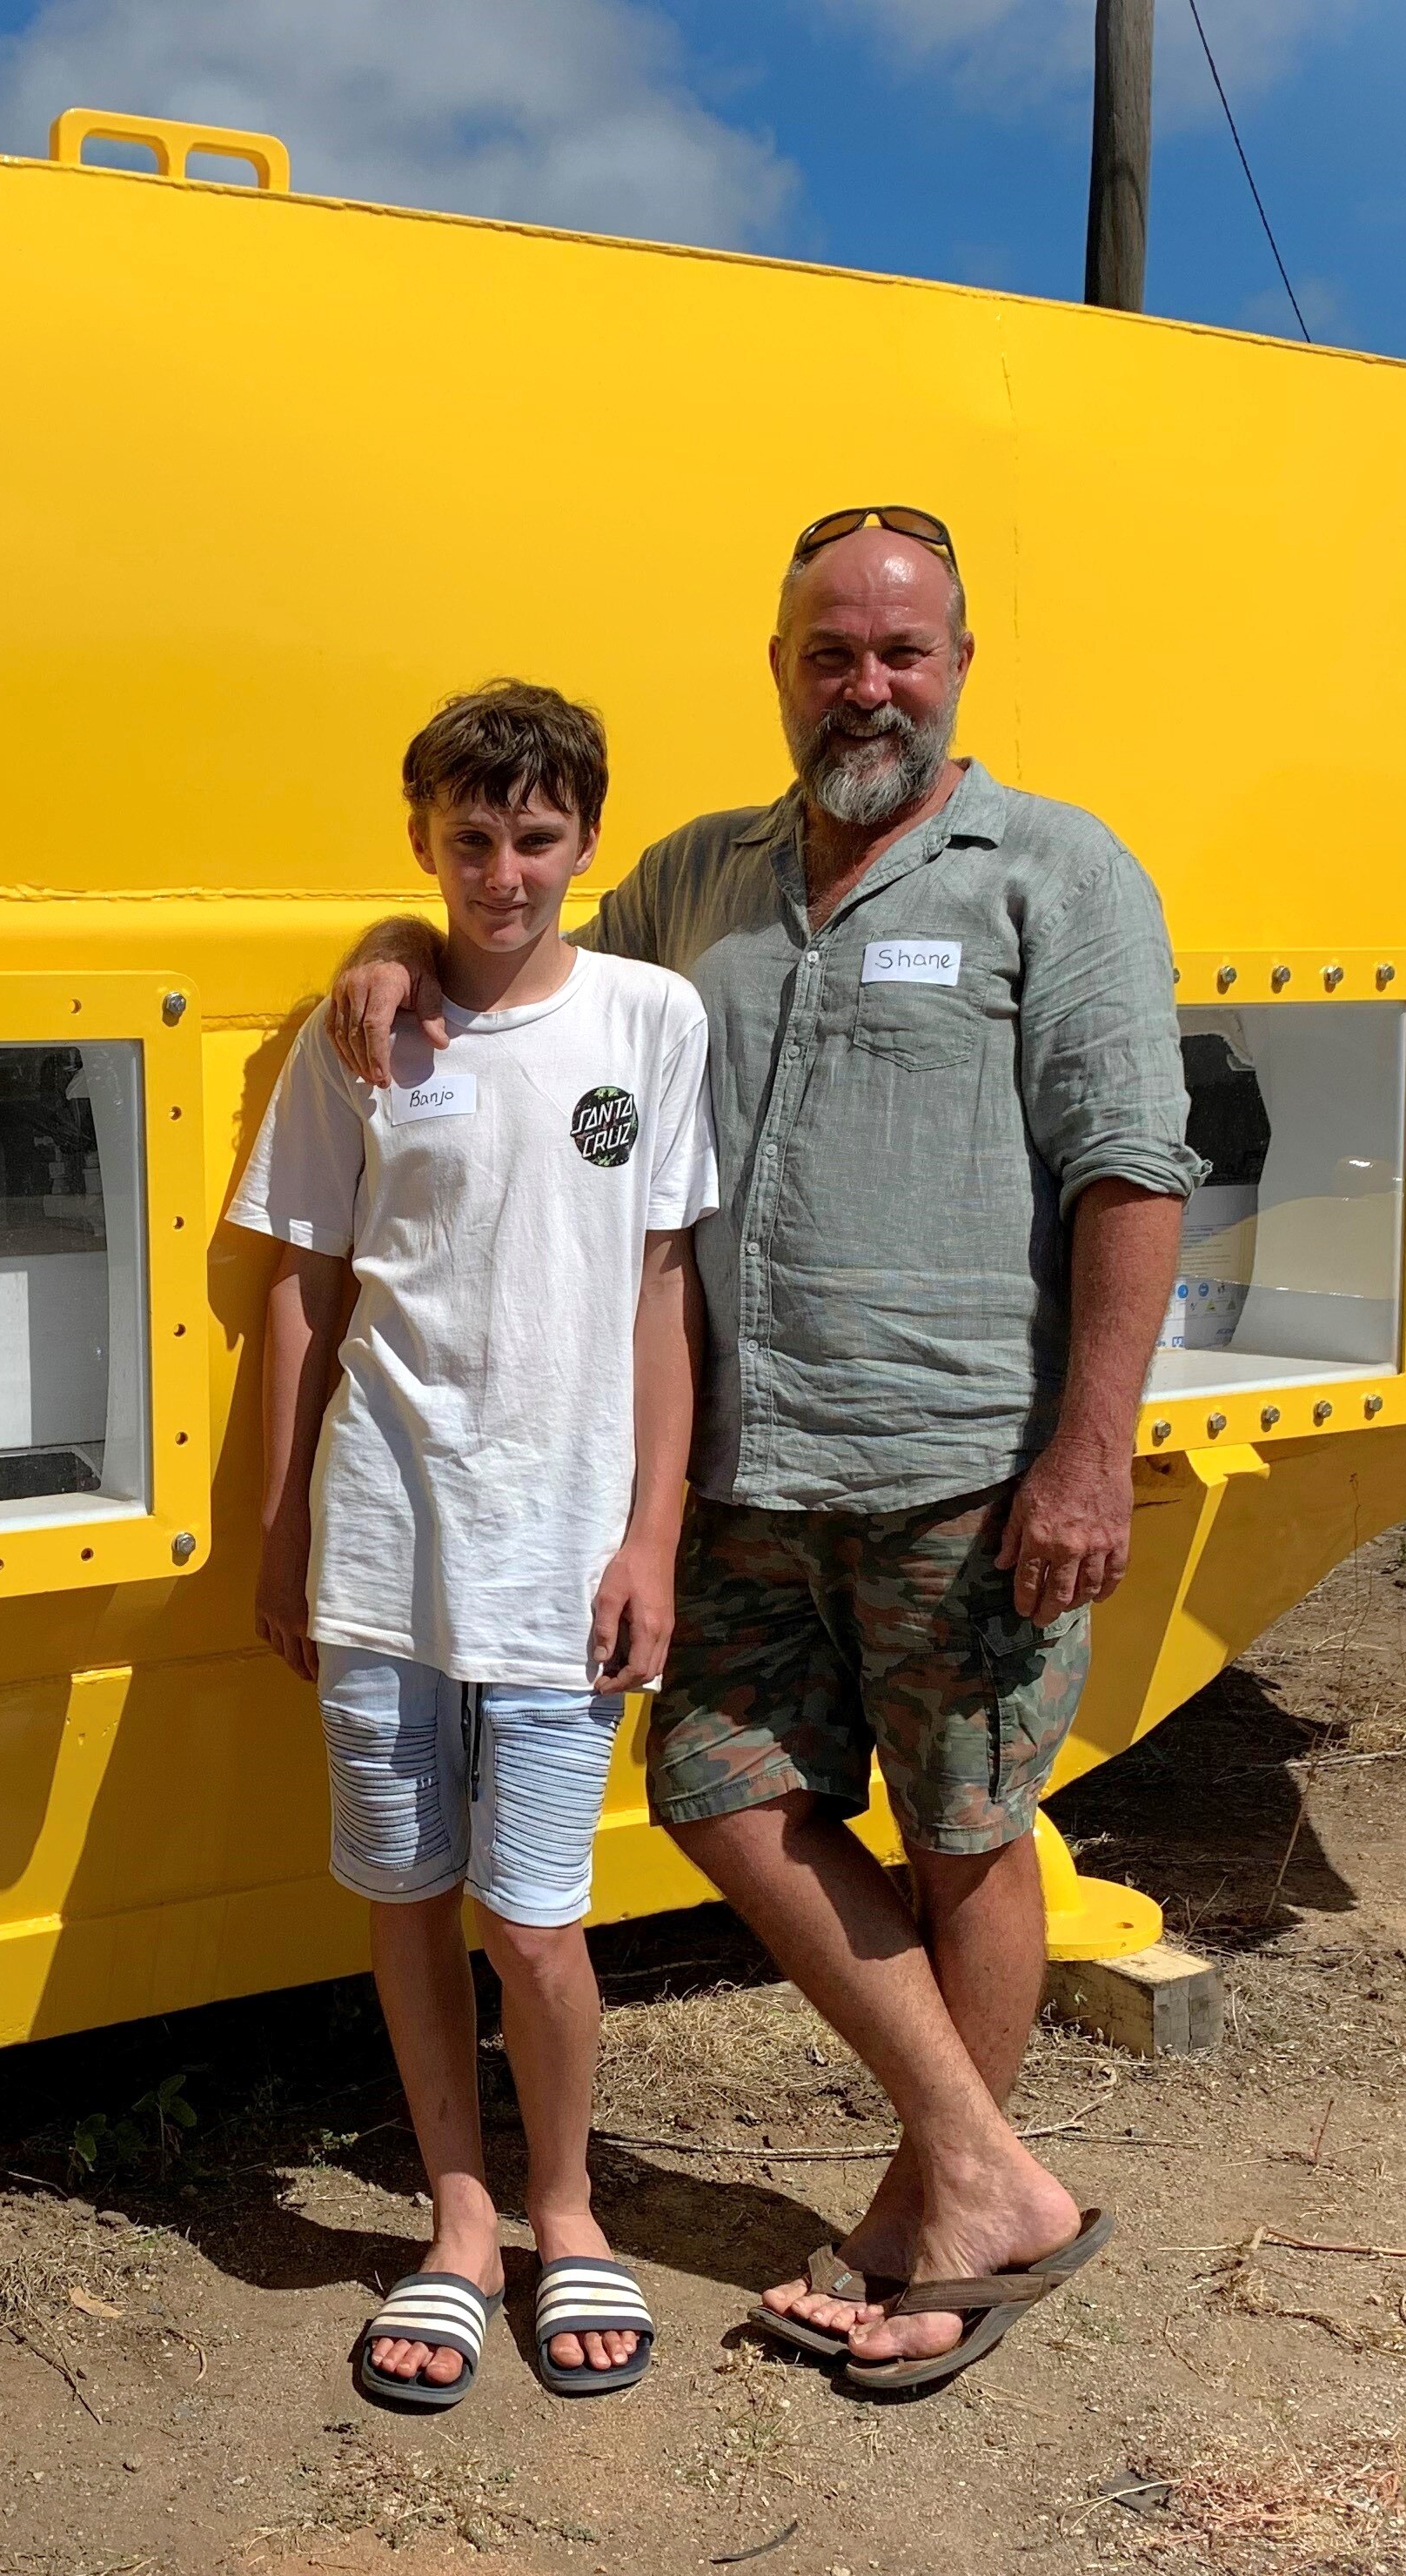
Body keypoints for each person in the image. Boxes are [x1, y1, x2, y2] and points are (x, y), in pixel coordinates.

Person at [325, 508, 1193, 2395]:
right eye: (830, 652)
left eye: (902, 649)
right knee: (718, 1792)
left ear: (961, 662)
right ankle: (987, 2181)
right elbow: (517, 950)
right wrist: (397, 941)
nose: (865, 683)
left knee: (965, 1836)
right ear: (782, 666)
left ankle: (934, 2209)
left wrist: (1091, 1453)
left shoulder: (1056, 871)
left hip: (966, 1461)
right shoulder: (699, 880)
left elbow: (1137, 1165)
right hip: (746, 1464)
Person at [231, 680, 716, 2412]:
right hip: (382, 1544)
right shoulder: (361, 1031)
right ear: (423, 838)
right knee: (410, 1899)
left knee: (537, 1923)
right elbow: (301, 1288)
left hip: (562, 1560)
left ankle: (567, 2209)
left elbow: (664, 1298)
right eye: (469, 839)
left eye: (535, 837)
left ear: (585, 840)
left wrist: (653, 1536)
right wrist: (280, 1536)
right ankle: (455, 2222)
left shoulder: (654, 1023)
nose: (502, 871)